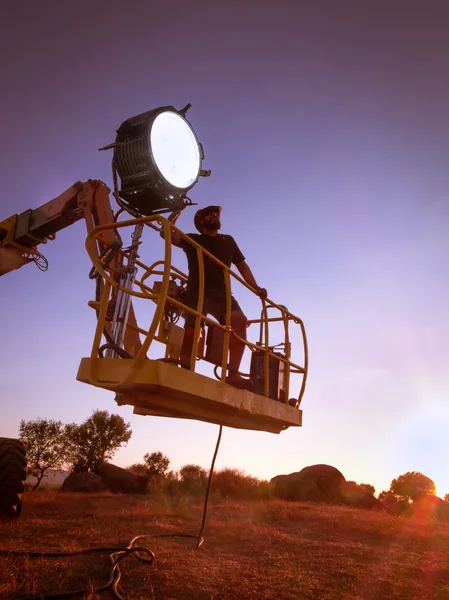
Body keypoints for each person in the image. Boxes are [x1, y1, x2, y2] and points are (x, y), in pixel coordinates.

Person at [163, 205, 267, 389]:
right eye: (209, 214)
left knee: (239, 321)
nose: (214, 216)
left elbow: (242, 266)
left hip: (222, 295)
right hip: (197, 292)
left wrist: (256, 287)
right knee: (192, 329)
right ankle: (185, 368)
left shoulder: (228, 242)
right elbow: (167, 234)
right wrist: (178, 210)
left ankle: (233, 374)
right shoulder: (192, 239)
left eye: (216, 214)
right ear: (201, 222)